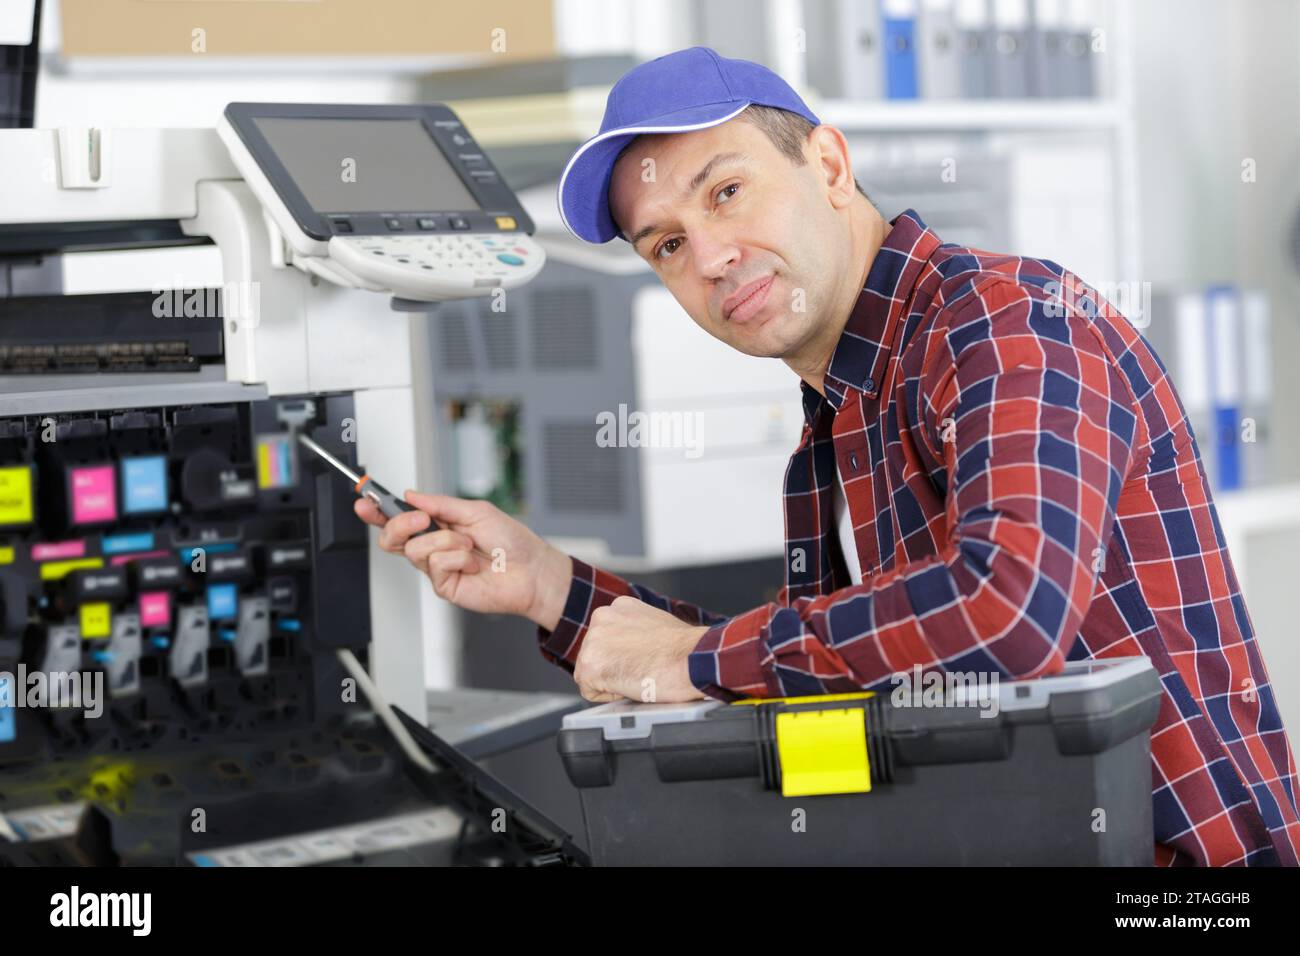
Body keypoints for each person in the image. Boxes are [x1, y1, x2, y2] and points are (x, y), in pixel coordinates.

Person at [357, 47, 1300, 866]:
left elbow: (1008, 611)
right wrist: (549, 587)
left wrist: (699, 657)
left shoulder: (1007, 323)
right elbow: (824, 671)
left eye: (726, 192)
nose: (712, 257)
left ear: (830, 162)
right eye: (669, 245)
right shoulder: (834, 423)